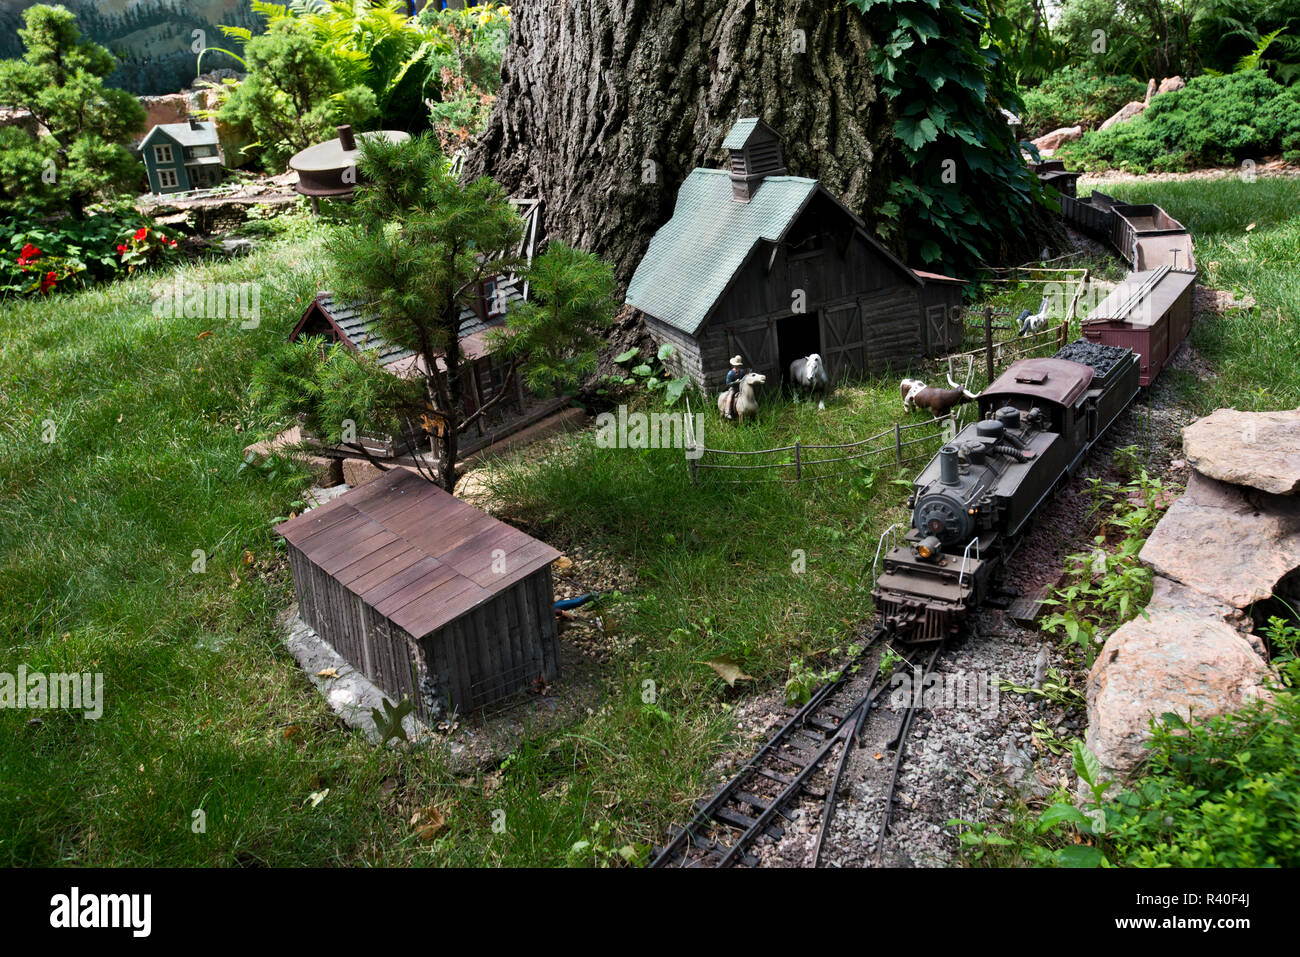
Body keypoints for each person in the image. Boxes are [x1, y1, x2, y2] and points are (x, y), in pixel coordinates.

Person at [724, 355, 746, 419]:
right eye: (736, 365)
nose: (737, 367)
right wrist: (734, 382)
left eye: (738, 366)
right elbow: (728, 383)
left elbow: (743, 378)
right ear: (734, 365)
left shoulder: (741, 372)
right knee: (730, 396)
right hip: (733, 388)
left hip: (740, 387)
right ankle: (727, 412)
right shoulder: (730, 373)